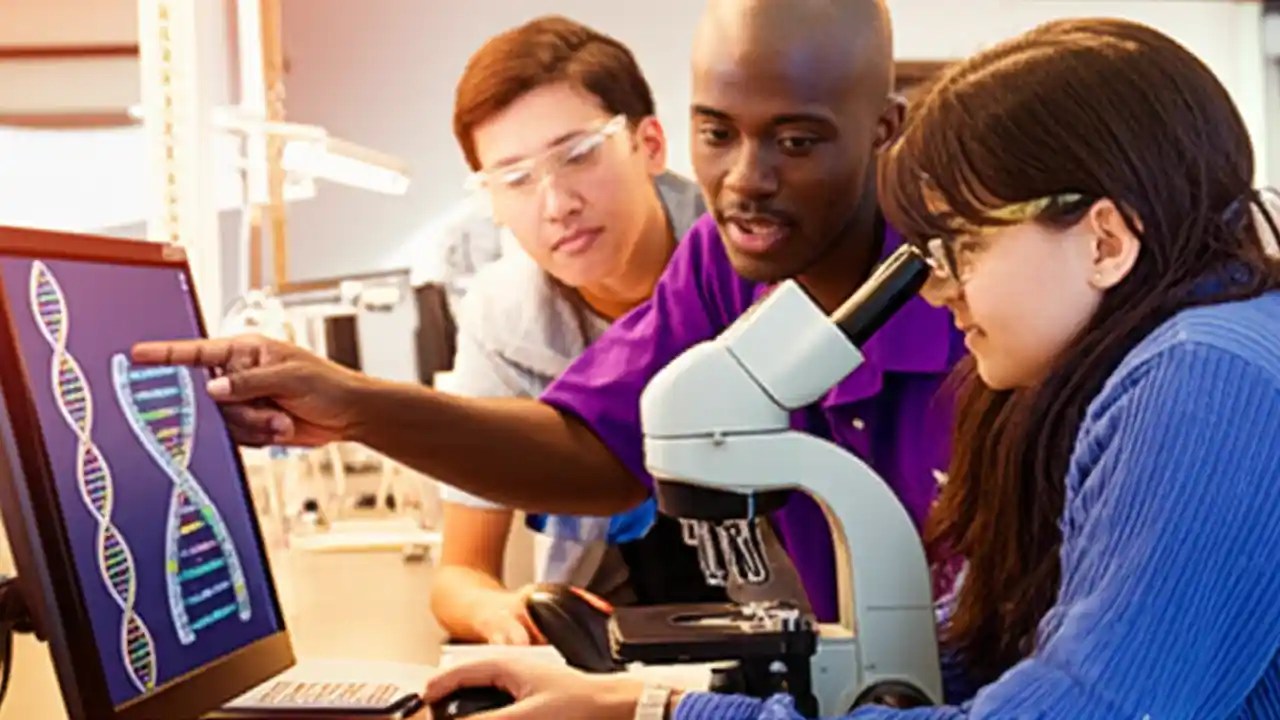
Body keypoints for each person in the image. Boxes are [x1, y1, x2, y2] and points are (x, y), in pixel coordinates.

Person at [420, 16, 1280, 720]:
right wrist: (642, 701)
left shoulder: (1203, 380)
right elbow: (994, 645)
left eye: (962, 245)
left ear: (1105, 239)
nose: (937, 288)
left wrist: (674, 715)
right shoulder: (1140, 374)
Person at [130, 0, 962, 629]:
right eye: (718, 132)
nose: (747, 178)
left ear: (883, 130)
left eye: (798, 141)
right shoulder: (719, 262)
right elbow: (599, 449)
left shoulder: (971, 300)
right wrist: (352, 405)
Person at [427, 15, 707, 646]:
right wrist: (500, 612)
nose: (556, 205)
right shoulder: (504, 319)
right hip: (608, 646)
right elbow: (461, 572)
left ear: (650, 145)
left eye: (578, 155)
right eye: (515, 179)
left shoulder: (742, 257)